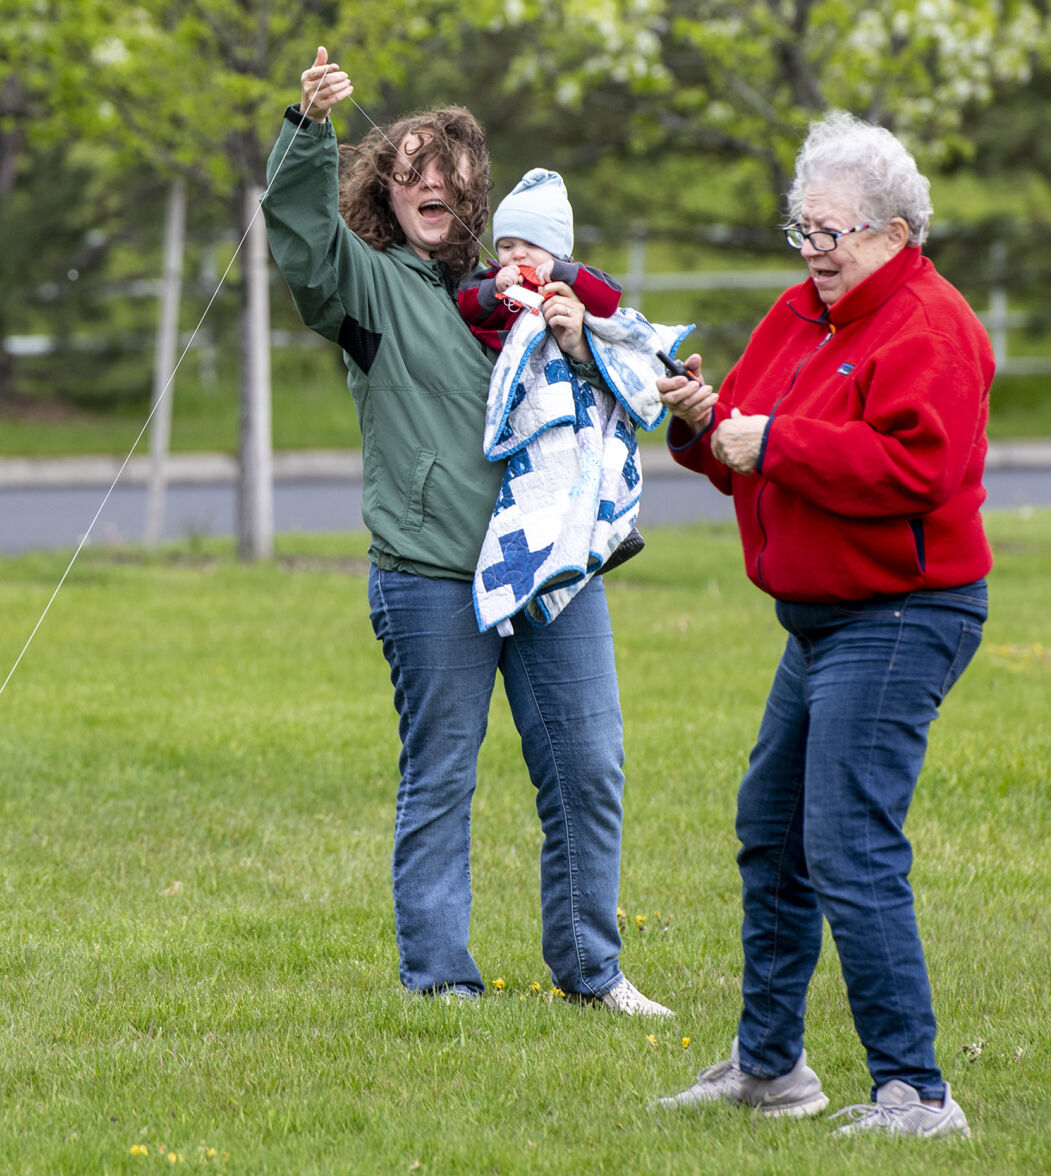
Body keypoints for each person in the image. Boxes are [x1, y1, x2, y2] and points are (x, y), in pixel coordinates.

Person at [260, 47, 670, 1015]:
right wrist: (308, 128)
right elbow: (297, 232)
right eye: (410, 169)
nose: (431, 181)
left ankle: (592, 972)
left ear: (474, 193)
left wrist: (579, 340)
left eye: (448, 169)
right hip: (429, 573)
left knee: (588, 766)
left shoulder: (518, 290)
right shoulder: (364, 286)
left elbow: (603, 389)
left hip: (550, 570)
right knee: (440, 777)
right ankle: (440, 978)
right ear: (387, 191)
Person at [652, 112, 991, 1138]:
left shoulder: (931, 327)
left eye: (827, 234)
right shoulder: (798, 312)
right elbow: (739, 448)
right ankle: (769, 1070)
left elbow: (913, 473)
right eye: (800, 232)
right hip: (817, 619)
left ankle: (917, 1093)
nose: (810, 255)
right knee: (770, 830)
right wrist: (697, 420)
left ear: (893, 232)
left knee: (845, 840)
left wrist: (774, 445)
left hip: (902, 612)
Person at [456, 167, 622, 352]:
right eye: (507, 246)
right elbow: (465, 307)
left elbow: (609, 303)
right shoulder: (495, 279)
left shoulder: (569, 276)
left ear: (557, 251)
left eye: (532, 245)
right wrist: (494, 287)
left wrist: (564, 271)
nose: (518, 254)